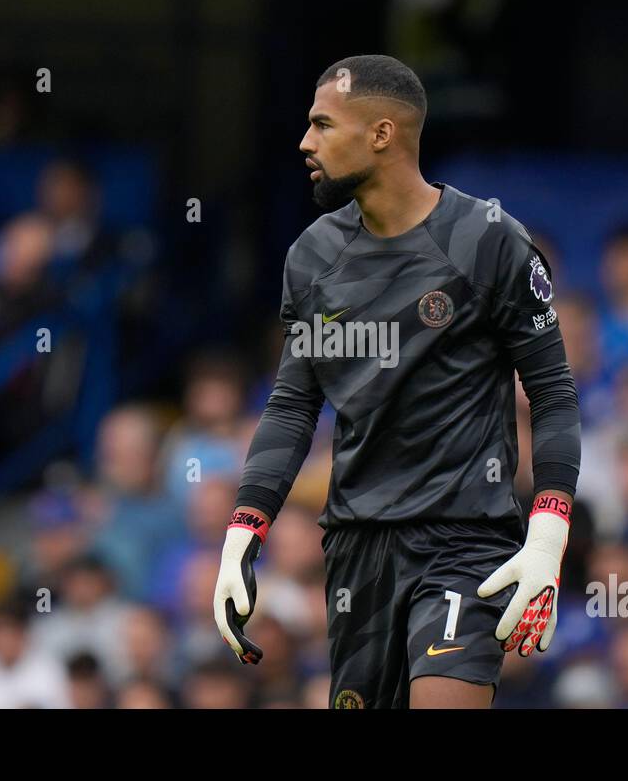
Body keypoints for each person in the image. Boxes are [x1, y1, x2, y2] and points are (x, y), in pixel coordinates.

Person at [211, 55, 581, 708]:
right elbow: (295, 403)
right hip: (357, 552)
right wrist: (245, 527)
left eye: (323, 125)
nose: (305, 142)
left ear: (382, 134)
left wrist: (548, 535)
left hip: (464, 540)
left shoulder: (487, 241)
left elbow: (552, 392)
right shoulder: (314, 256)